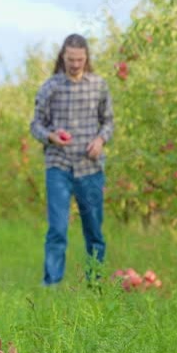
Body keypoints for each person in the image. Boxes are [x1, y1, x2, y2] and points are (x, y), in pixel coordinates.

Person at [30, 33, 114, 286]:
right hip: (58, 166)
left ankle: (95, 282)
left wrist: (100, 140)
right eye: (70, 59)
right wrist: (51, 136)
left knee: (94, 230)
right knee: (57, 229)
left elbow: (108, 121)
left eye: (79, 59)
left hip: (90, 167)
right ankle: (51, 285)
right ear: (63, 57)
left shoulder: (98, 85)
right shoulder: (50, 87)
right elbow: (35, 125)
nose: (75, 64)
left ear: (86, 58)